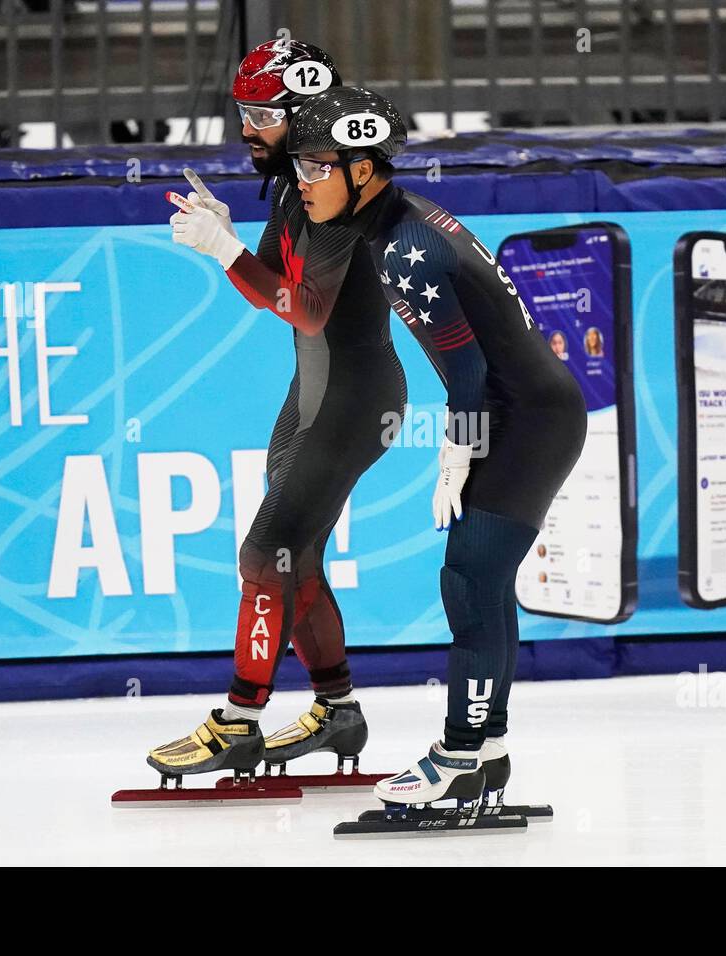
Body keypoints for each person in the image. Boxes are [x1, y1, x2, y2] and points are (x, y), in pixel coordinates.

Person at [286, 88, 587, 807]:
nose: (302, 183)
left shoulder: (405, 248)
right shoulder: (403, 219)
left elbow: (470, 372)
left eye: (315, 167)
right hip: (530, 409)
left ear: (361, 170)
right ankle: (487, 750)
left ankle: (457, 753)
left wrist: (460, 451)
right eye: (296, 166)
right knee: (480, 582)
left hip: (526, 419)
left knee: (469, 579)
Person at [152, 43, 406, 778]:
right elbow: (276, 287)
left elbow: (309, 310)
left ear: (308, 119)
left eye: (263, 115)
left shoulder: (331, 197)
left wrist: (223, 249)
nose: (248, 130)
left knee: (263, 557)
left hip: (350, 404)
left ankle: (239, 722)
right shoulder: (300, 187)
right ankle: (338, 711)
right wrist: (229, 235)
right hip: (320, 398)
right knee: (296, 561)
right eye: (244, 113)